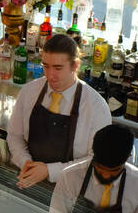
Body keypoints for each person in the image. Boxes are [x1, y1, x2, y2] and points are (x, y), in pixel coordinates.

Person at [7, 32, 111, 189]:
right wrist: (26, 163)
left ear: (75, 65)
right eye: (46, 66)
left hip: (70, 192)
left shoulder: (96, 107)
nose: (50, 75)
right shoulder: (29, 92)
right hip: (27, 181)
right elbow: (15, 136)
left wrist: (49, 171)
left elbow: (95, 161)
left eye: (58, 68)